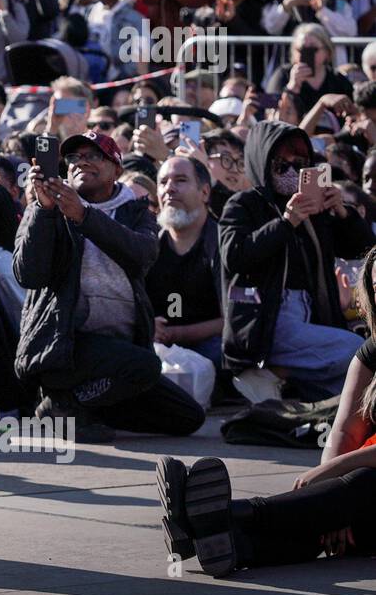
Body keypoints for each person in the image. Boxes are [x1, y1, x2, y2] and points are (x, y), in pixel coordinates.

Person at [156, 244, 376, 578]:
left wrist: (332, 475)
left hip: (366, 484)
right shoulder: (371, 354)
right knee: (317, 528)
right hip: (362, 499)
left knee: (364, 483)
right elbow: (345, 431)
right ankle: (225, 541)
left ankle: (217, 517)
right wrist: (331, 497)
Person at [14, 130, 206, 442]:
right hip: (64, 347)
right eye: (74, 157)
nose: (81, 162)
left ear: (116, 168)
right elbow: (29, 275)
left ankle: (78, 410)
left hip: (119, 353)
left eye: (94, 156)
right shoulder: (47, 209)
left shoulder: (135, 211)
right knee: (146, 366)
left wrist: (85, 215)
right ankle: (64, 404)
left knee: (188, 417)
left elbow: (143, 254)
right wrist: (43, 209)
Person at [219, 120, 371, 402]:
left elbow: (363, 248)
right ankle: (272, 370)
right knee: (356, 351)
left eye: (299, 165)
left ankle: (279, 374)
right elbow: (235, 256)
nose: (291, 173)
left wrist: (341, 211)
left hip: (314, 312)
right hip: (267, 317)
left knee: (350, 396)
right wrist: (286, 222)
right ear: (263, 164)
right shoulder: (243, 205)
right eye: (281, 166)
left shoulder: (316, 208)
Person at [146, 155, 224, 370]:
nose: (169, 189)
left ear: (205, 192)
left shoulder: (224, 244)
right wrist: (147, 324)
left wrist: (176, 334)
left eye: (180, 180)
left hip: (213, 347)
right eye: (163, 182)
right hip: (158, 346)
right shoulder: (148, 245)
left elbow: (232, 319)